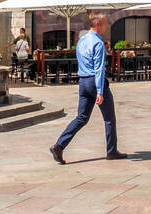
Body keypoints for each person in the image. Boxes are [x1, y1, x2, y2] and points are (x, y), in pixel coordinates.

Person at [49, 11, 127, 164]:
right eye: (105, 22)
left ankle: (59, 145)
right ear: (98, 24)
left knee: (81, 118)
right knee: (109, 118)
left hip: (83, 81)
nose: (107, 25)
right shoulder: (98, 43)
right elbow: (99, 69)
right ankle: (111, 151)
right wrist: (99, 91)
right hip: (94, 81)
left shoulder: (82, 40)